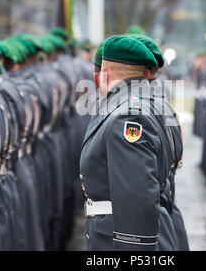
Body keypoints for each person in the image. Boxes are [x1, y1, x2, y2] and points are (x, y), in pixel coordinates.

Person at [80, 35, 178, 251]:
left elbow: (137, 196)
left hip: (118, 238)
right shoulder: (138, 103)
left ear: (103, 73)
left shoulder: (128, 116)